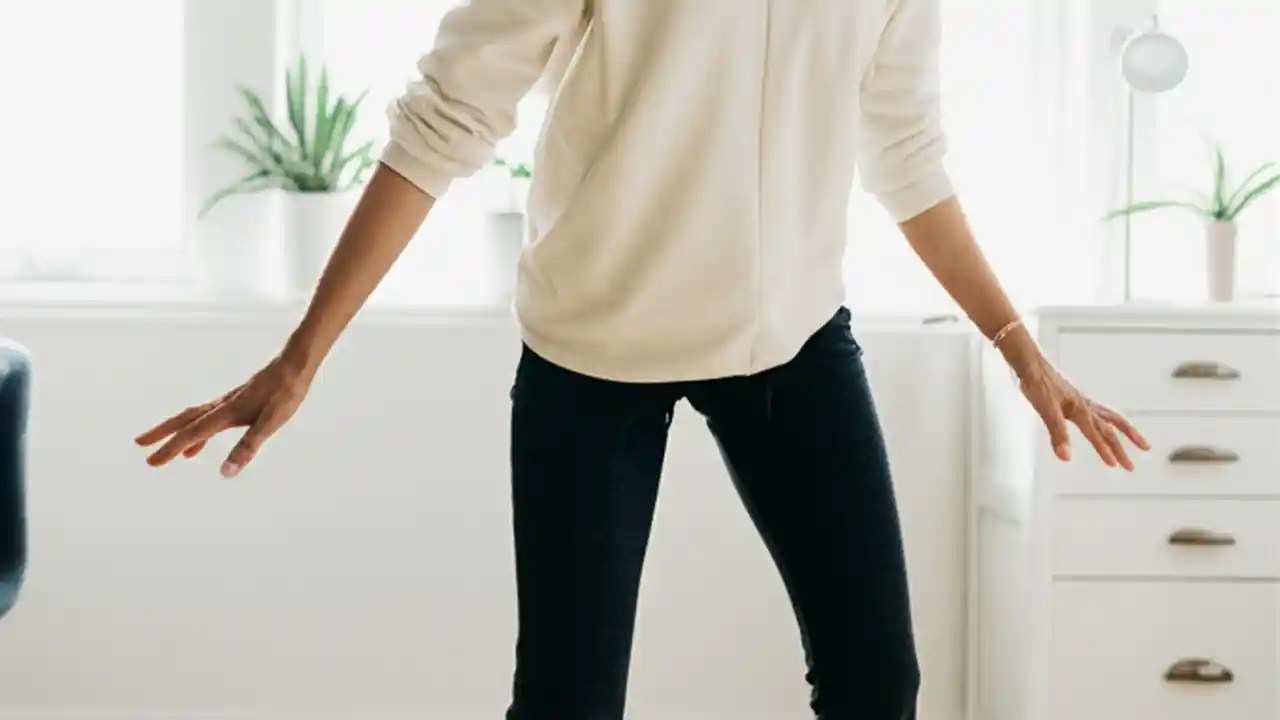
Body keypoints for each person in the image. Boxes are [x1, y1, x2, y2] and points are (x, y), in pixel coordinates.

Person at [136, 1, 1150, 718]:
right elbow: (446, 120)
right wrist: (301, 355)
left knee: (875, 682)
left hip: (787, 340)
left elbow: (905, 152)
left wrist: (1020, 351)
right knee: (568, 701)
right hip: (591, 347)